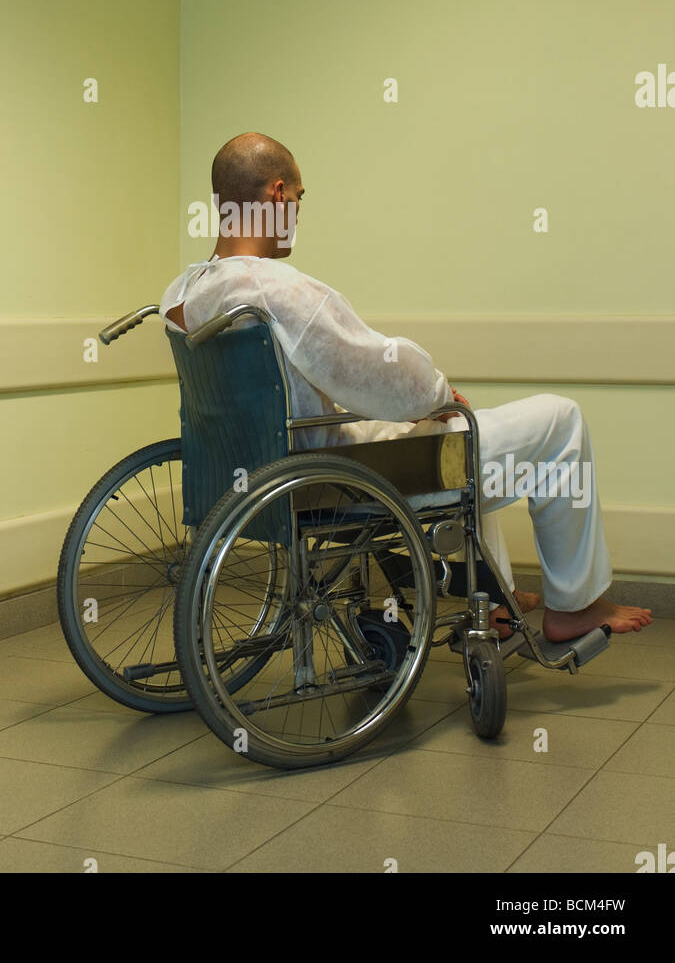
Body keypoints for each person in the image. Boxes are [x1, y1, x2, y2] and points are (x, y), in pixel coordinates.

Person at [161, 132, 653, 641]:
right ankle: (574, 607)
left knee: (456, 434)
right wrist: (439, 395)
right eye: (300, 200)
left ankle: (496, 599)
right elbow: (379, 371)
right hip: (334, 477)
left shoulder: (185, 292)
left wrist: (427, 408)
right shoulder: (278, 289)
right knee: (557, 417)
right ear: (278, 194)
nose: (299, 213)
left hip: (258, 472)